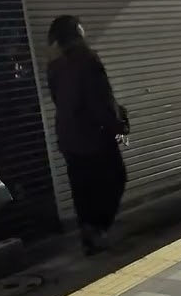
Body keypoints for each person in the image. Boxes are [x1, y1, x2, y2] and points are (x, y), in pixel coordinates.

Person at [45, 15, 128, 255]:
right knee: (116, 177)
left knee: (82, 187)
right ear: (76, 32)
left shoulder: (54, 65)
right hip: (95, 136)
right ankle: (98, 229)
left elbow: (59, 100)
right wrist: (117, 126)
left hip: (68, 137)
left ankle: (88, 232)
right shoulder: (88, 59)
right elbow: (100, 99)